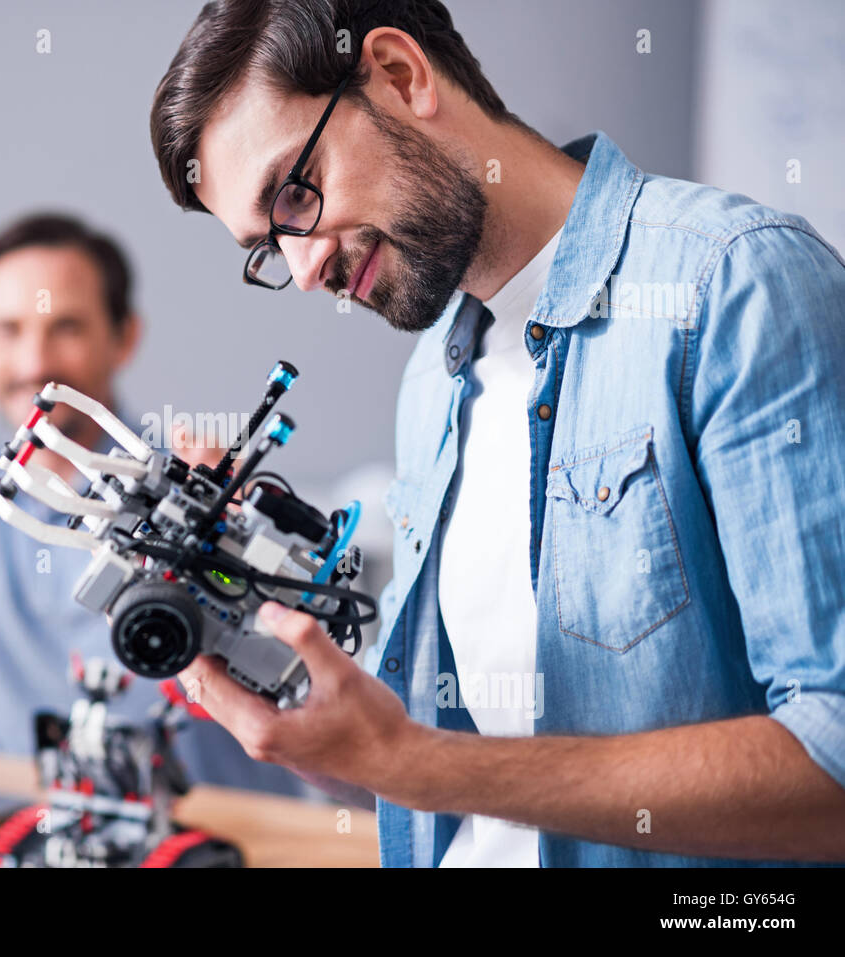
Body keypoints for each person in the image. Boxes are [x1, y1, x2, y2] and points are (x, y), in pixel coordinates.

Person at [148, 0, 845, 865]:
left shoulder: (735, 283)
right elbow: (435, 772)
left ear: (401, 75)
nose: (303, 270)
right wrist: (262, 630)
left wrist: (426, 765)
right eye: (266, 248)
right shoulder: (431, 386)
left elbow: (834, 760)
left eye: (297, 192)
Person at [0, 212, 306, 797]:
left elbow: (306, 672)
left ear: (123, 337)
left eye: (66, 327)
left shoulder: (195, 490)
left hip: (224, 831)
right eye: (8, 330)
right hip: (42, 820)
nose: (34, 364)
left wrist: (244, 549)